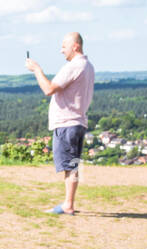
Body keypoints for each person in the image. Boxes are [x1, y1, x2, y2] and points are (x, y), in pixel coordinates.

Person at [26, 32, 95, 215]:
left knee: (69, 167)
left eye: (64, 46)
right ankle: (68, 203)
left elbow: (49, 89)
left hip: (67, 124)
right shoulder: (88, 66)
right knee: (72, 165)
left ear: (76, 46)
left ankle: (68, 205)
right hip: (77, 122)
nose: (61, 50)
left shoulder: (73, 66)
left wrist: (37, 70)